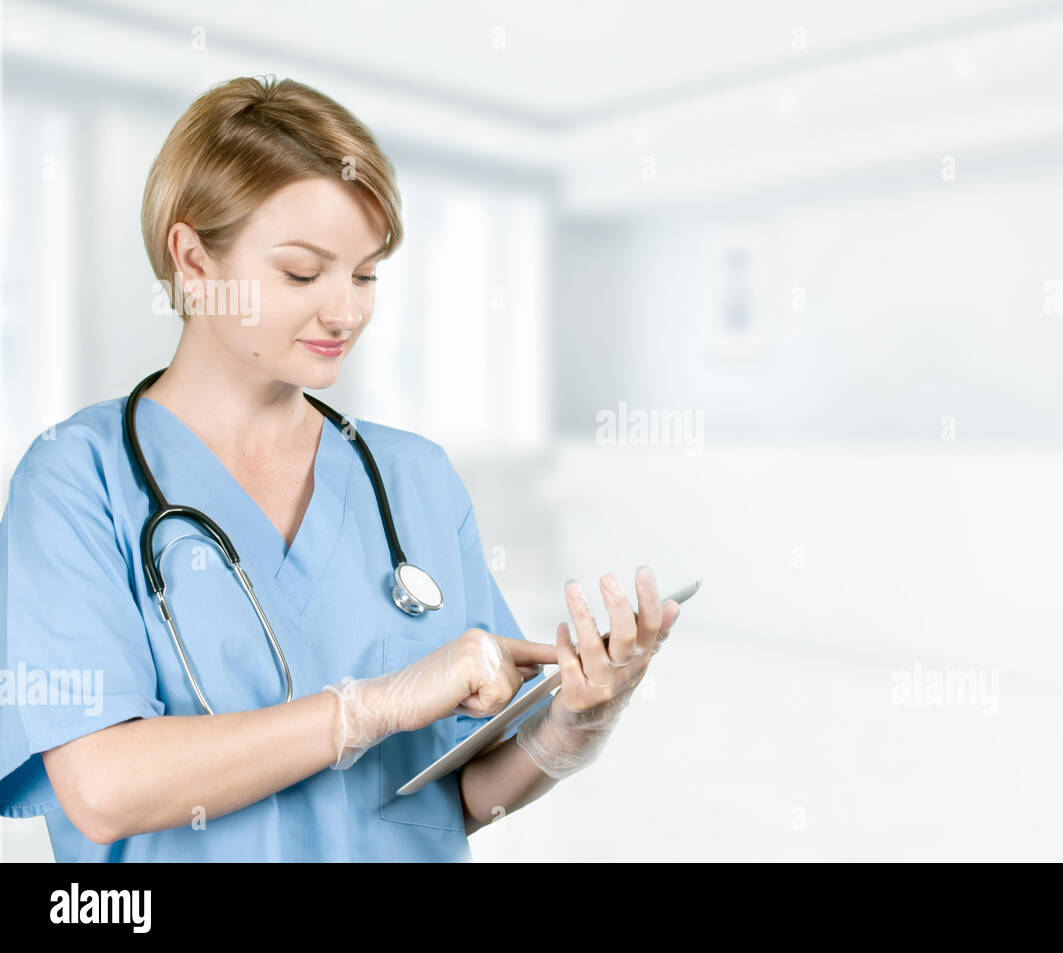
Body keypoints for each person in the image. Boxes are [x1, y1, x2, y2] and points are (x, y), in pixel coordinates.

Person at [0, 75, 681, 862]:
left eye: (364, 275)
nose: (346, 312)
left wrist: (572, 725)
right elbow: (102, 788)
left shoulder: (415, 478)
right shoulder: (77, 481)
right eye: (302, 273)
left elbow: (456, 791)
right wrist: (370, 707)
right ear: (192, 260)